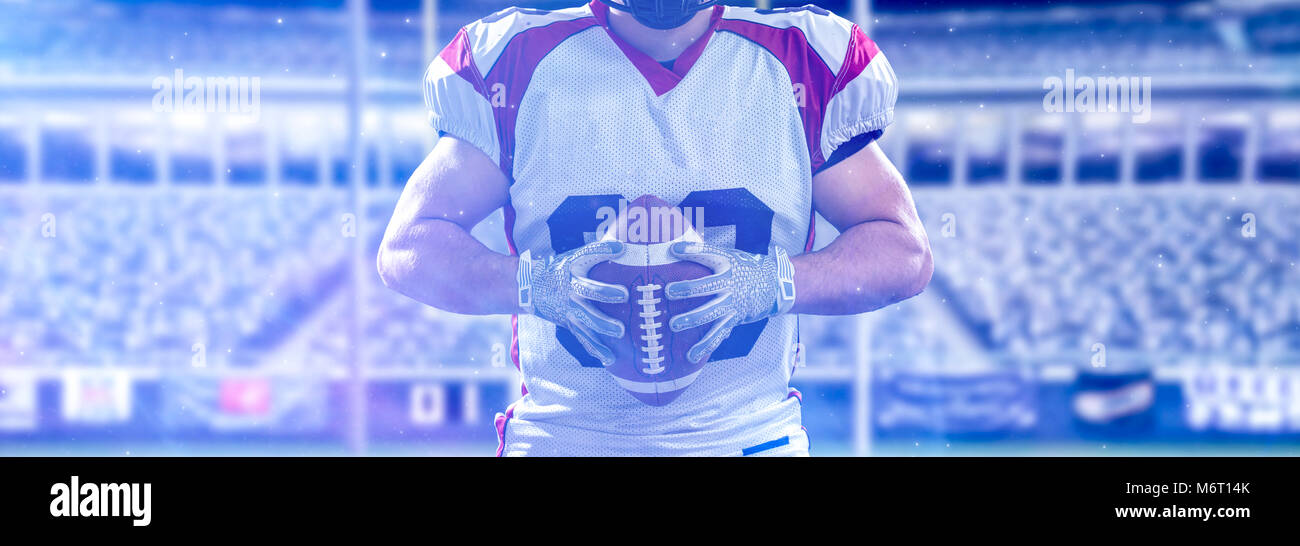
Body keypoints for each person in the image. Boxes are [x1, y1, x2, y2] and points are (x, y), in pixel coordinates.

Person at [377, 0, 932, 456]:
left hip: (748, 438)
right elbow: (408, 246)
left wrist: (772, 283)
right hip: (565, 439)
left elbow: (903, 250)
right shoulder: (519, 60)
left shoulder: (800, 60)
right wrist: (535, 285)